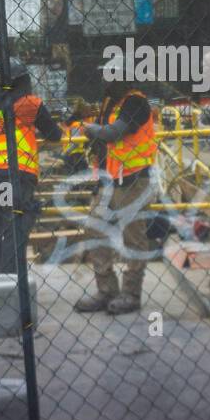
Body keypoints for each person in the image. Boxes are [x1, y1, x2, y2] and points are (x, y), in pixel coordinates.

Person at [74, 60, 157, 314]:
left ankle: (131, 295)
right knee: (94, 231)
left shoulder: (136, 102)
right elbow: (104, 145)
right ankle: (106, 290)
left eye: (111, 76)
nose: (106, 81)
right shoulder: (112, 102)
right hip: (110, 182)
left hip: (134, 181)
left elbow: (112, 134)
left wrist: (91, 129)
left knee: (133, 239)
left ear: (123, 78)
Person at [0, 59, 61, 276]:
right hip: (14, 175)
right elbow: (53, 134)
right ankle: (11, 281)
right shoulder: (29, 104)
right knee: (13, 227)